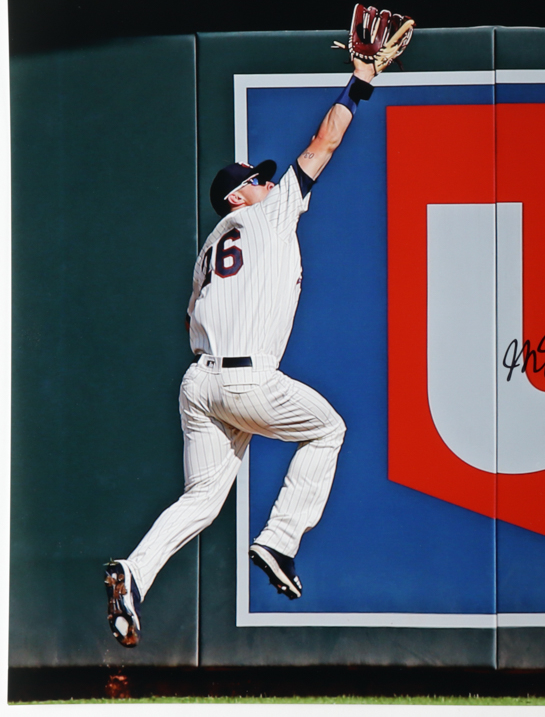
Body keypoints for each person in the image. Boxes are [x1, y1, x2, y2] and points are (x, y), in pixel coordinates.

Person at [104, 52, 381, 649]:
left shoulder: (210, 248)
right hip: (245, 380)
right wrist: (359, 82)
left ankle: (133, 573)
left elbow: (191, 320)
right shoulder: (270, 215)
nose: (267, 183)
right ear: (237, 197)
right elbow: (326, 142)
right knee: (328, 430)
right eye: (256, 180)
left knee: (202, 499)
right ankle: (280, 540)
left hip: (199, 385)